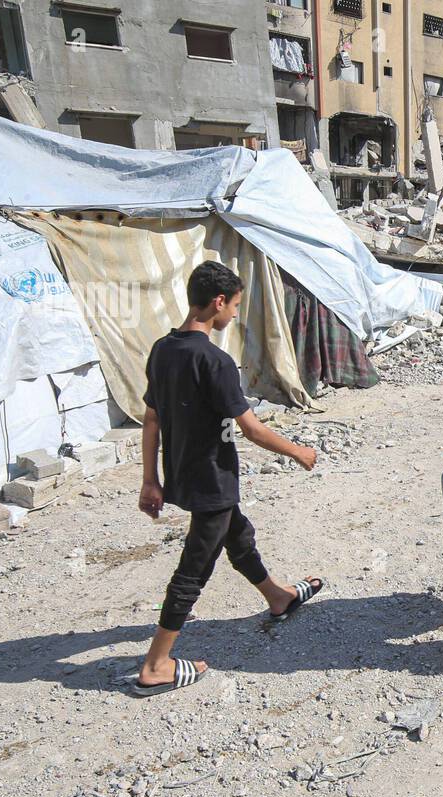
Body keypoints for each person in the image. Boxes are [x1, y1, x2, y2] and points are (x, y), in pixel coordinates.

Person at [135, 262, 322, 696]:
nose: (235, 314)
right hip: (212, 481)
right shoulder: (214, 361)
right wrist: (299, 452)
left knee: (239, 537)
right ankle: (156, 664)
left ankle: (277, 598)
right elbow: (251, 428)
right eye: (235, 305)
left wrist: (150, 480)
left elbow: (151, 418)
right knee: (193, 569)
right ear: (218, 302)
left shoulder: (162, 349)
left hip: (184, 475)